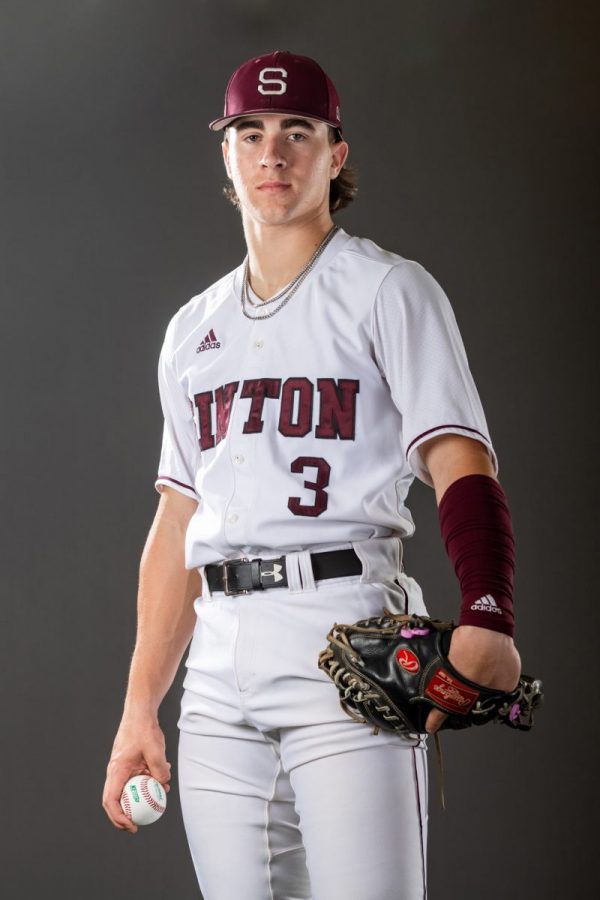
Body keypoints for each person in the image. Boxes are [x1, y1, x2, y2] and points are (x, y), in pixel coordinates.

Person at [102, 50, 521, 899]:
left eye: (299, 131)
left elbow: (459, 459)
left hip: (346, 643)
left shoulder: (389, 291)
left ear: (336, 154)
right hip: (218, 672)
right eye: (250, 133)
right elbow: (179, 521)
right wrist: (140, 706)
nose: (274, 153)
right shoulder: (192, 330)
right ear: (226, 155)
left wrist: (490, 611)